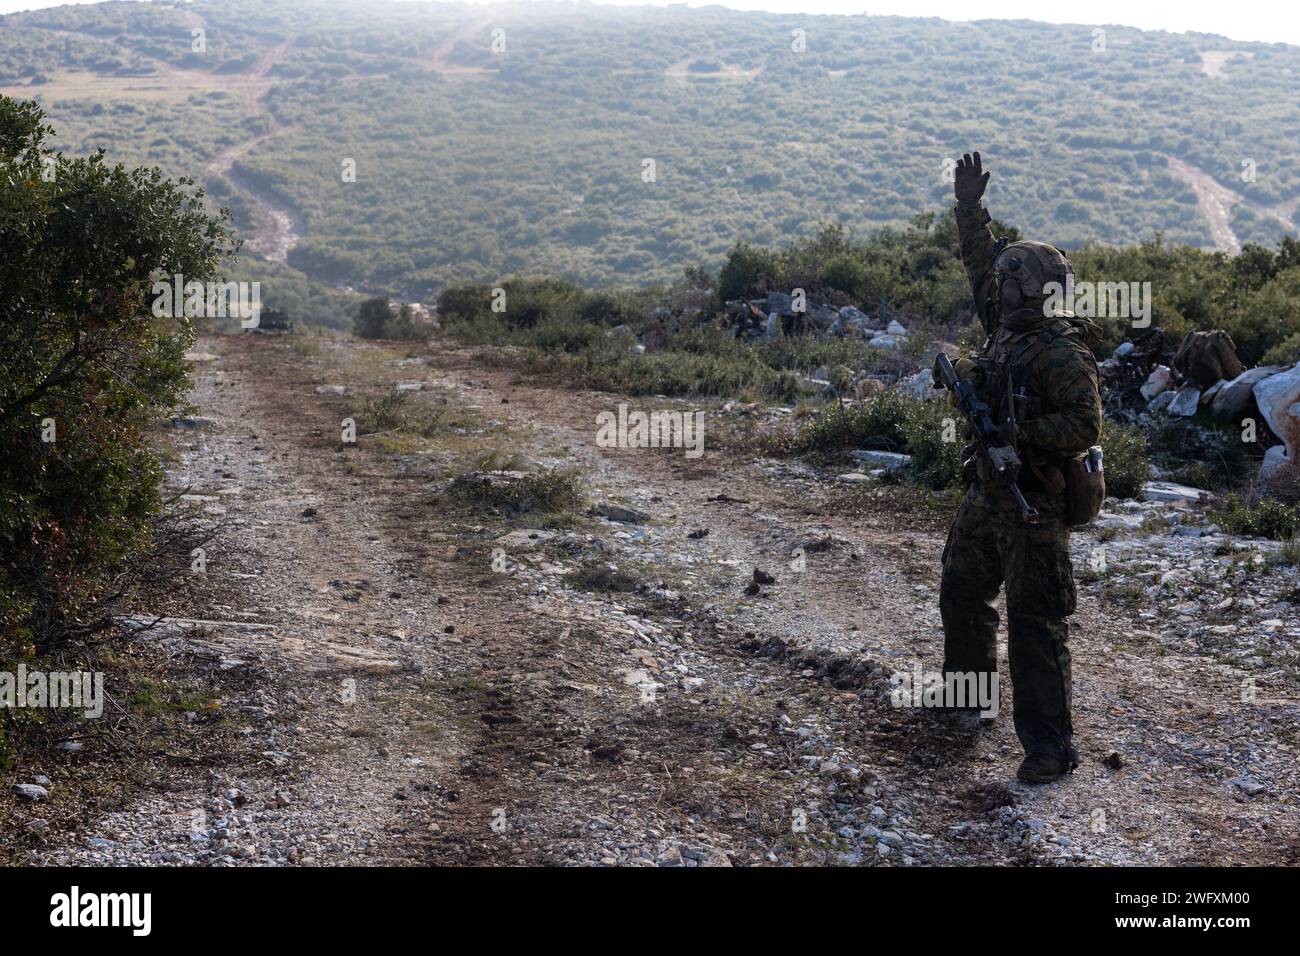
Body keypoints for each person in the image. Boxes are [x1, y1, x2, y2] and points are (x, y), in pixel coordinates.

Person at [940, 151, 1104, 784]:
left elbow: (1085, 426)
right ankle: (966, 699)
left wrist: (1021, 434)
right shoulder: (1005, 326)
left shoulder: (1062, 353)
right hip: (987, 493)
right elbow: (979, 259)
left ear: (1033, 292)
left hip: (1035, 501)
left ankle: (1049, 746)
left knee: (1035, 625)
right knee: (962, 591)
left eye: (1011, 284)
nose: (999, 290)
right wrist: (968, 207)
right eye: (1001, 285)